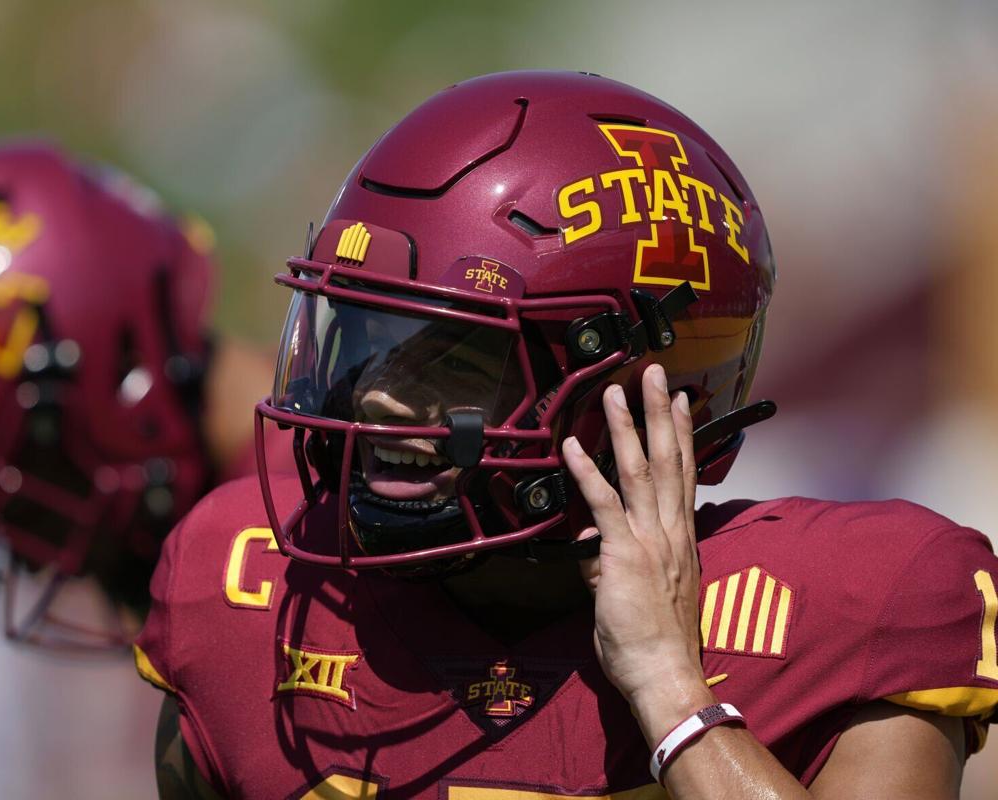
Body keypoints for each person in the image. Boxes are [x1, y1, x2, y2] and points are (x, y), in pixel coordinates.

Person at [135, 72, 998, 797]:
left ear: (636, 388)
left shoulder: (858, 606)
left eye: (460, 363)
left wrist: (674, 697)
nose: (380, 400)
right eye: (368, 345)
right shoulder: (246, 594)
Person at [0, 140, 282, 650]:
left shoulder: (312, 540)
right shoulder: (286, 512)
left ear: (126, 379)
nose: (36, 563)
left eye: (26, 511)